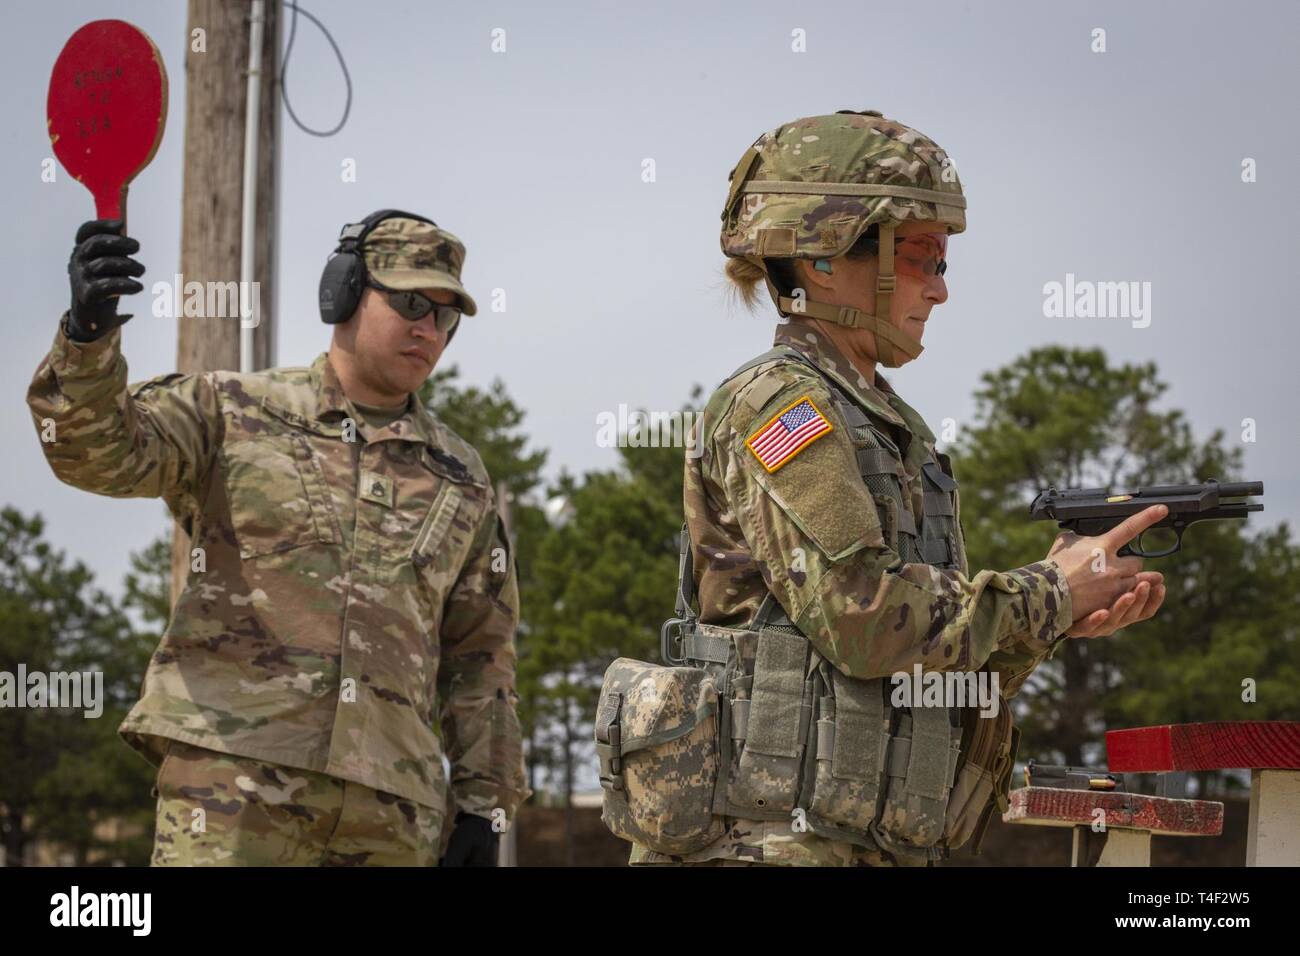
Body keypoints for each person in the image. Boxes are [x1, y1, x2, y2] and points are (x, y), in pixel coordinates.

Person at [629, 111, 1167, 866]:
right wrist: (1045, 593)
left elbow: (933, 680)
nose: (940, 292)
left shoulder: (893, 428)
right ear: (822, 259)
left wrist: (1058, 615)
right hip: (770, 847)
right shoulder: (782, 407)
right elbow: (862, 618)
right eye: (924, 260)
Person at [27, 209, 529, 866]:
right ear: (344, 291)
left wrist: (483, 806)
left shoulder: (461, 477)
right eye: (410, 301)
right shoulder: (232, 410)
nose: (428, 329)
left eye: (446, 316)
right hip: (233, 790)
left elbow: (480, 656)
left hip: (387, 813)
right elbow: (92, 452)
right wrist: (88, 337)